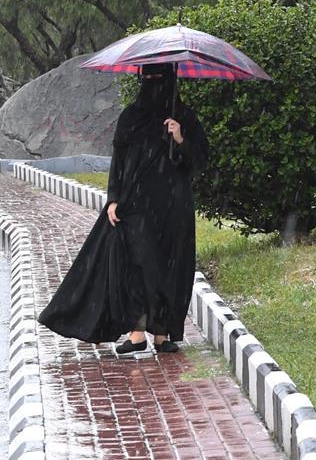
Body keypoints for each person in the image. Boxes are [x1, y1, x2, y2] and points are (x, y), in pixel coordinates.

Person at [39, 63, 209, 355]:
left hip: (173, 206)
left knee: (169, 266)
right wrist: (114, 198)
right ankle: (137, 331)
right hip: (136, 204)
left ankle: (162, 333)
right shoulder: (130, 117)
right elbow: (118, 160)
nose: (153, 84)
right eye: (148, 78)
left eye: (160, 78)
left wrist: (180, 139)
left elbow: (200, 161)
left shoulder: (183, 117)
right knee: (138, 264)